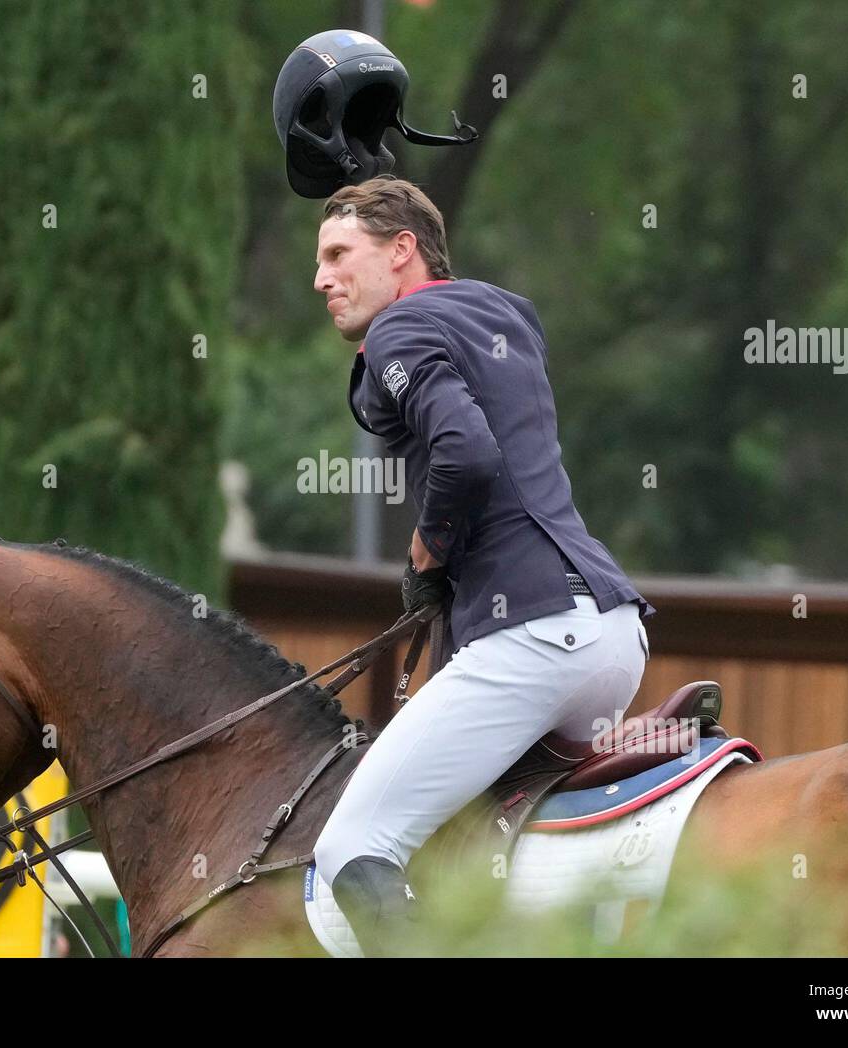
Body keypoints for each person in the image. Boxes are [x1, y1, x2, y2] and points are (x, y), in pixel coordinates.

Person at [309, 176, 654, 956]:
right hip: (613, 637)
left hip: (535, 641)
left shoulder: (398, 330)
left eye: (337, 254)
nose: (320, 278)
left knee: (351, 850)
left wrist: (429, 547)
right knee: (459, 845)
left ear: (402, 253)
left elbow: (466, 455)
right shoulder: (505, 312)